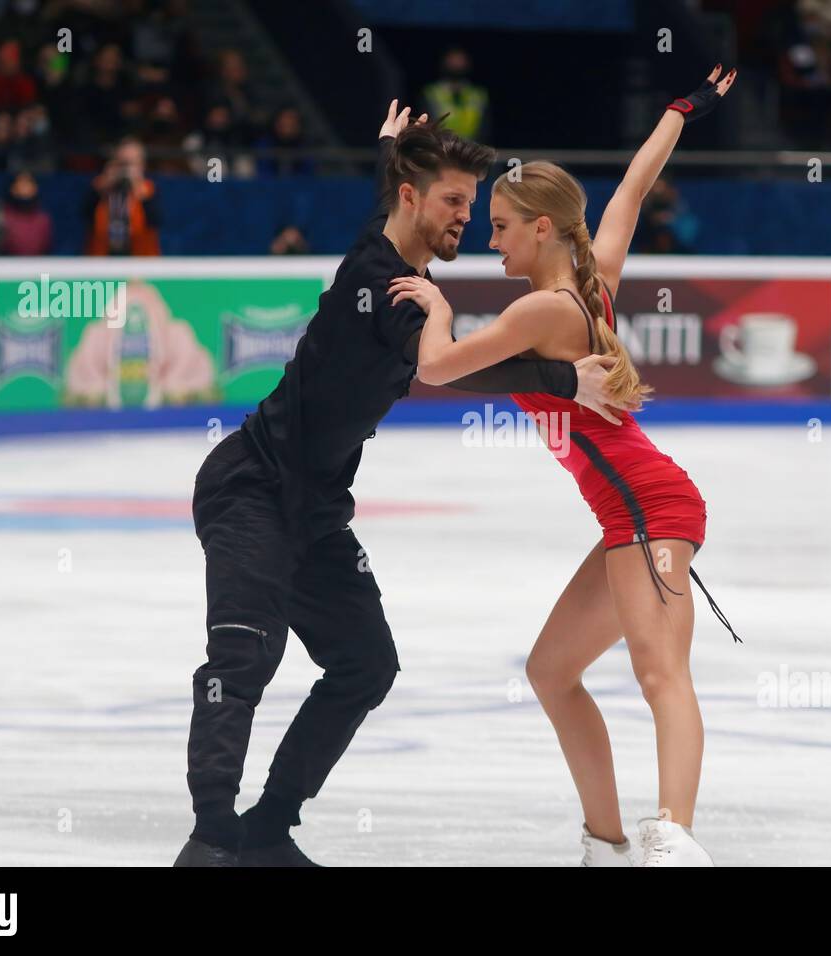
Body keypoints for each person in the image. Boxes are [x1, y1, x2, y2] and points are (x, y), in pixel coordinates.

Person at [175, 101, 632, 867]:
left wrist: (389, 148)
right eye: (455, 202)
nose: (467, 219)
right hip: (251, 488)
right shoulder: (381, 281)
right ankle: (212, 841)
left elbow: (387, 218)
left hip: (316, 509)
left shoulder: (391, 257)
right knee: (244, 658)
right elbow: (448, 367)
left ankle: (267, 828)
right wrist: (561, 378)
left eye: (472, 204)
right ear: (415, 199)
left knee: (366, 664)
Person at [388, 66, 740, 867]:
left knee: (660, 672)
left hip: (652, 507)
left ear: (543, 228)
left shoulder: (544, 309)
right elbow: (630, 193)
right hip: (631, 513)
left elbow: (436, 369)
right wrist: (681, 111)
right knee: (552, 671)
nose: (492, 237)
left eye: (503, 225)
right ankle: (606, 842)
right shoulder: (595, 284)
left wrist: (439, 309)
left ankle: (675, 839)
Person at [82, 137, 161, 256]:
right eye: (121, 164)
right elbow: (85, 217)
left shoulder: (148, 190)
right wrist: (103, 190)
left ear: (142, 165)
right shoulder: (100, 186)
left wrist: (138, 190)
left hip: (139, 262)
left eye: (130, 164)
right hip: (102, 260)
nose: (125, 170)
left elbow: (155, 221)